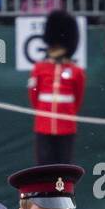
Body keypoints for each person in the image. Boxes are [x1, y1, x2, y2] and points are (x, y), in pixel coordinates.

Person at [28, 9, 85, 164]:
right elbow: (34, 96)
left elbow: (77, 99)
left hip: (66, 126)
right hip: (44, 125)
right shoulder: (39, 68)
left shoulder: (76, 71)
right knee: (43, 166)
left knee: (64, 167)